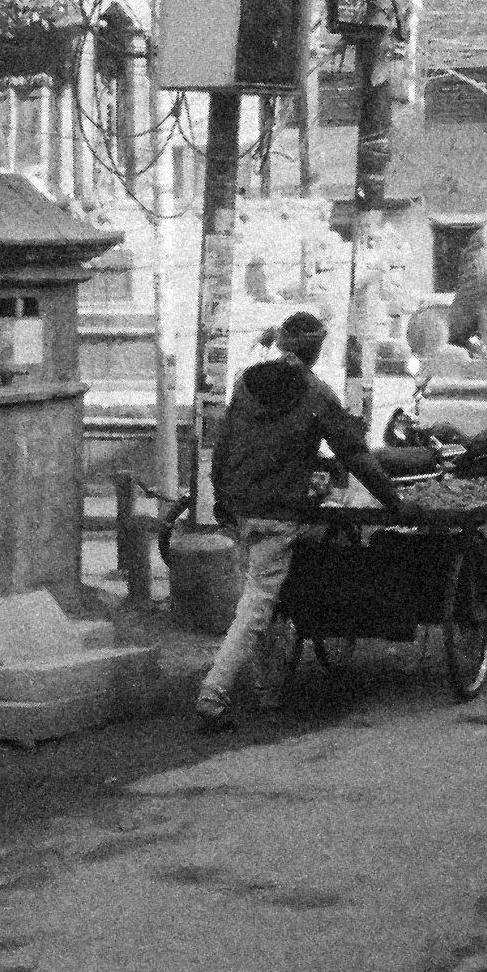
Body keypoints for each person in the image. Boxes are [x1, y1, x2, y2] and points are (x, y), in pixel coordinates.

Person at [195, 311, 406, 734]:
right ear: (316, 349)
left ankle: (267, 688)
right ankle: (214, 693)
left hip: (240, 506)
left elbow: (224, 444)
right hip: (280, 511)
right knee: (257, 604)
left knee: (255, 599)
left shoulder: (245, 383)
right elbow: (355, 455)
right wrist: (394, 501)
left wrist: (221, 498)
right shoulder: (315, 393)